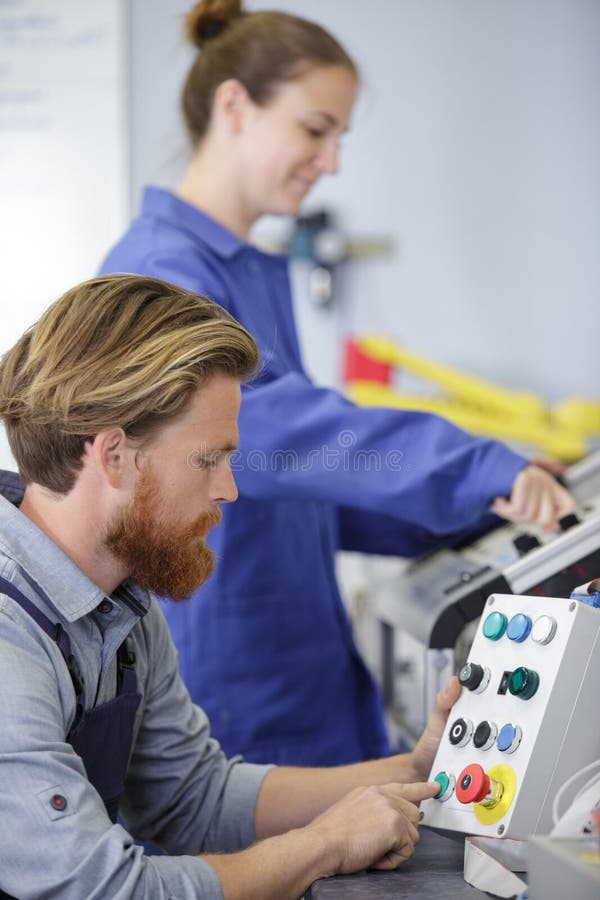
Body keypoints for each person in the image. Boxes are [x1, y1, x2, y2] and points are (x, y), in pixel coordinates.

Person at [99, 0, 576, 767]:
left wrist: (466, 512)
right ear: (235, 106)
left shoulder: (246, 269)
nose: (332, 162)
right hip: (236, 677)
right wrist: (475, 466)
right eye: (315, 130)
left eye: (340, 138)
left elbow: (311, 485)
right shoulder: (163, 271)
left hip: (299, 660)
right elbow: (272, 437)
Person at [0, 273, 461, 898]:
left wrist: (417, 770)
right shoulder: (9, 632)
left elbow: (195, 796)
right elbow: (104, 890)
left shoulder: (122, 605)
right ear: (113, 456)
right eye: (207, 459)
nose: (228, 489)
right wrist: (324, 843)